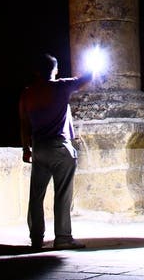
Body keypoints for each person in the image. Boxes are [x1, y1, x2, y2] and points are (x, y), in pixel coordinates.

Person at [18, 53, 94, 251]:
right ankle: (63, 238)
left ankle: (36, 238)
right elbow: (86, 78)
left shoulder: (27, 93)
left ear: (36, 72)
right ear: (56, 70)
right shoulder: (62, 86)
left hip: (39, 149)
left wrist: (26, 149)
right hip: (60, 148)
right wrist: (93, 62)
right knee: (62, 194)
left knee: (36, 195)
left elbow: (24, 124)